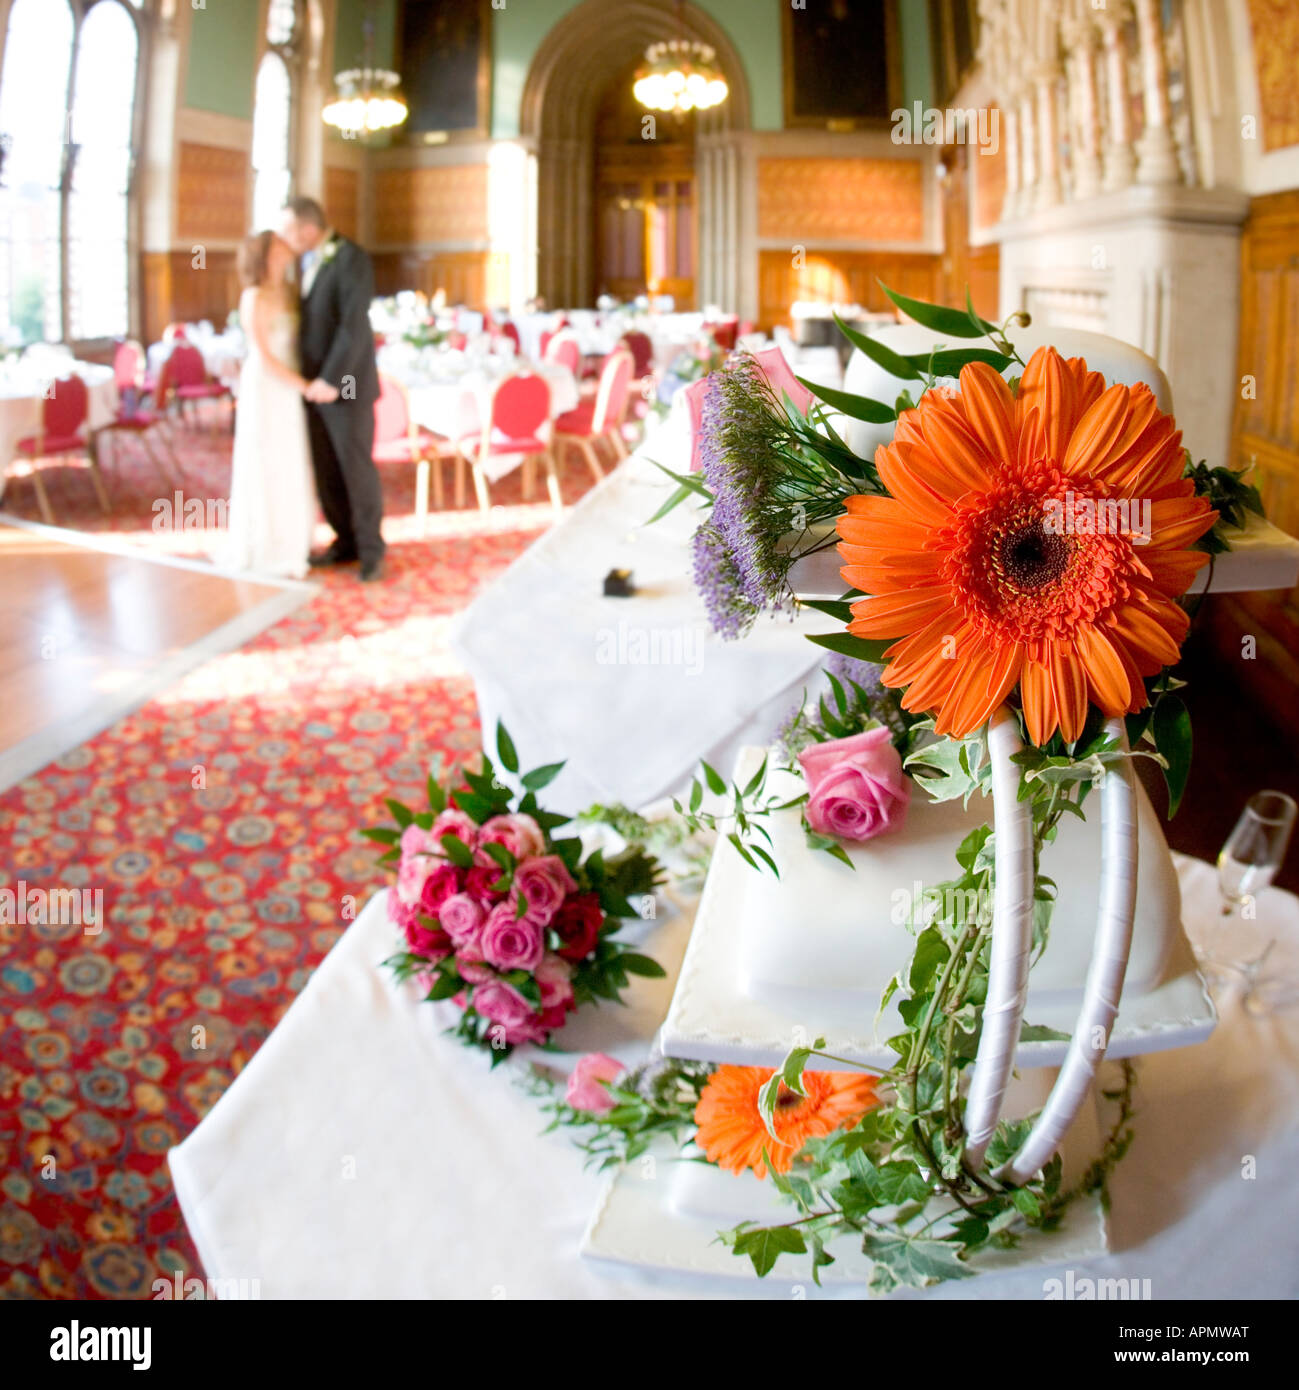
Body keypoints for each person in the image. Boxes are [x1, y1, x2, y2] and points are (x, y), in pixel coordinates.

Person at [280, 196, 386, 583]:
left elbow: (352, 326)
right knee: (327, 469)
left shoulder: (351, 258)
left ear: (309, 229)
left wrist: (332, 381)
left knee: (355, 467)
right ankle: (345, 541)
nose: (285, 238)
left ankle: (371, 549)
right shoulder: (305, 262)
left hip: (348, 383)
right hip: (313, 386)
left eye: (289, 230)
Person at [219, 230, 315, 580]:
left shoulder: (288, 291)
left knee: (290, 457)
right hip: (266, 384)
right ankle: (265, 542)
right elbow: (262, 355)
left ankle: (293, 540)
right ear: (263, 256)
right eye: (276, 250)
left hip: (289, 383)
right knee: (265, 458)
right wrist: (303, 386)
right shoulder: (253, 296)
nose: (284, 254)